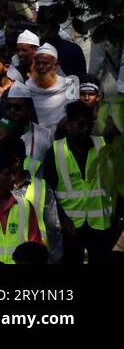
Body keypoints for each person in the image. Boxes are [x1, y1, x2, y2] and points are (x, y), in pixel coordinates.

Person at [45, 101, 116, 264]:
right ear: (68, 124)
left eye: (89, 125)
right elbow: (49, 193)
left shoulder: (103, 147)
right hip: (71, 225)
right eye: (81, 124)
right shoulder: (55, 152)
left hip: (101, 224)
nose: (86, 129)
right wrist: (62, 219)